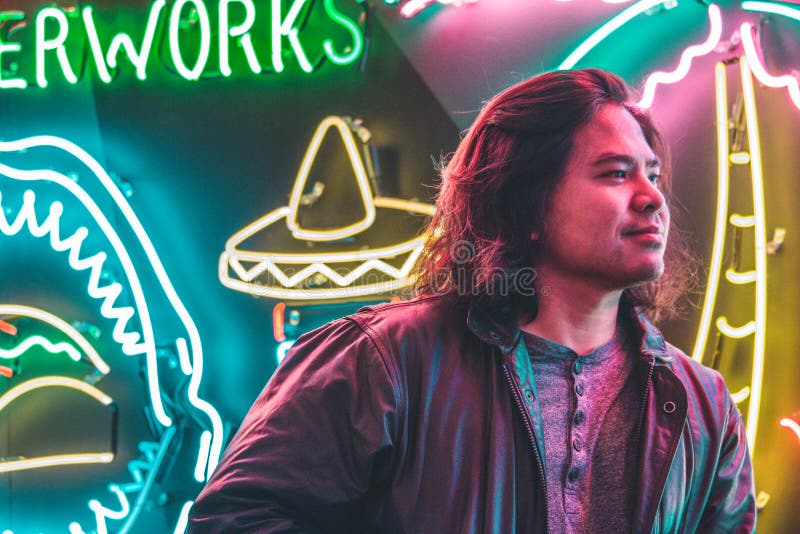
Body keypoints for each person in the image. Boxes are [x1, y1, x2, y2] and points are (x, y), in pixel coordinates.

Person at [189, 69, 756, 533]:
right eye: (615, 174)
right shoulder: (386, 361)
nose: (653, 197)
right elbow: (235, 520)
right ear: (526, 204)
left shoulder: (704, 405)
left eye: (653, 176)